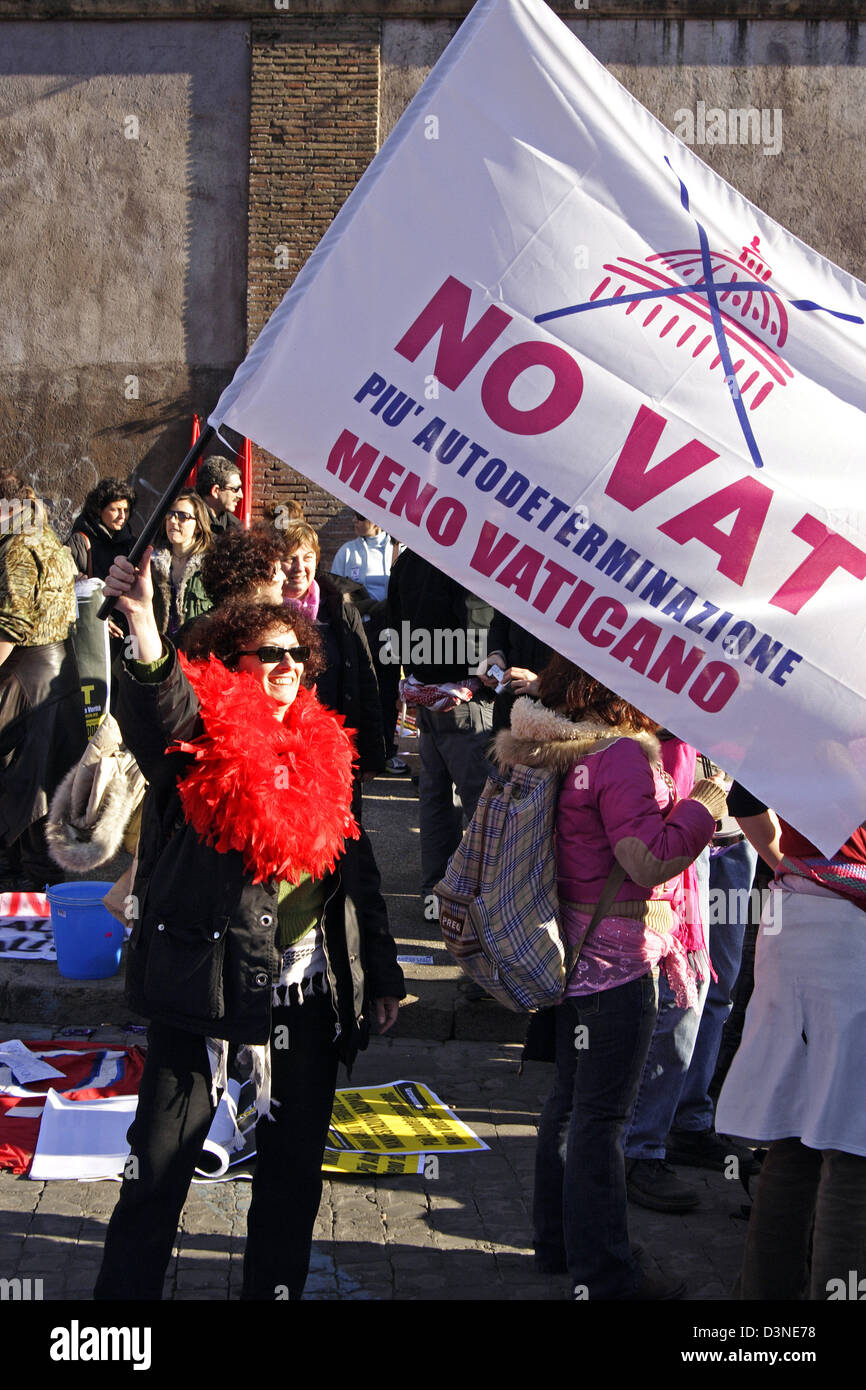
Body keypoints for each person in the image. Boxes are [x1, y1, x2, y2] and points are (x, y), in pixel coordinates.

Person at [93, 549, 405, 1300]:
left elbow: (356, 873)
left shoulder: (327, 748)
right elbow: (159, 704)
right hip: (200, 990)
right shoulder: (198, 741)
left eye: (298, 653)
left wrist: (384, 970)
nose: (288, 665)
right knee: (158, 1169)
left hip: (305, 990)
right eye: (269, 655)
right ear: (230, 663)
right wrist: (140, 621)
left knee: (293, 1174)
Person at [521, 657, 725, 1299]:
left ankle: (557, 1245)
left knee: (569, 1107)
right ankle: (607, 1274)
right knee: (601, 1122)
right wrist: (701, 806)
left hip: (570, 945)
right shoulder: (623, 755)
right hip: (617, 956)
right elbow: (644, 858)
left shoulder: (559, 740)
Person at [714, 784, 866, 1300]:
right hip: (849, 932)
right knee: (852, 1141)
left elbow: (745, 799)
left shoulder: (816, 709)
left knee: (796, 1131)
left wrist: (786, 861)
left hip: (796, 915)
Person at [387, 549, 495, 913]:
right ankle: (481, 900)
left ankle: (437, 895)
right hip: (465, 699)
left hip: (427, 695)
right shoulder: (463, 556)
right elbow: (475, 625)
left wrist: (414, 676)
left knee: (436, 798)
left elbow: (395, 625)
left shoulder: (409, 559)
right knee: (482, 805)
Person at [0, 473, 87, 889]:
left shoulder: (16, 545)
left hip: (28, 668)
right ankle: (33, 876)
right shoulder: (43, 533)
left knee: (26, 772)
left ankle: (30, 880)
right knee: (42, 769)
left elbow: (12, 622)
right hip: (56, 667)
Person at [280, 521, 386, 791]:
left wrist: (370, 754)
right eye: (289, 558)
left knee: (340, 826)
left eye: (307, 557)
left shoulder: (341, 610)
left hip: (335, 746)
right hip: (280, 747)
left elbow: (365, 679)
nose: (298, 567)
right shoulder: (263, 613)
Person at [331, 514, 405, 774]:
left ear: (376, 521)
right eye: (353, 517)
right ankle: (357, 749)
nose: (355, 522)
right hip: (360, 628)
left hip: (389, 632)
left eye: (361, 518)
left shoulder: (398, 550)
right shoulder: (347, 551)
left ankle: (387, 751)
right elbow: (336, 587)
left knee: (386, 689)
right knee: (359, 685)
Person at [149, 492, 213, 639]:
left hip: (195, 651)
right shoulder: (152, 563)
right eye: (169, 515)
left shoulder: (211, 565)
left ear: (198, 526)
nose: (172, 521)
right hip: (160, 650)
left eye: (182, 516)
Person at [67, 477, 137, 579]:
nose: (122, 516)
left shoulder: (131, 543)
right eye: (115, 510)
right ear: (99, 510)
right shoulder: (80, 542)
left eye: (126, 510)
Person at [194, 455, 243, 535]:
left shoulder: (235, 527)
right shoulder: (187, 523)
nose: (241, 495)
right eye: (235, 489)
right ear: (215, 491)